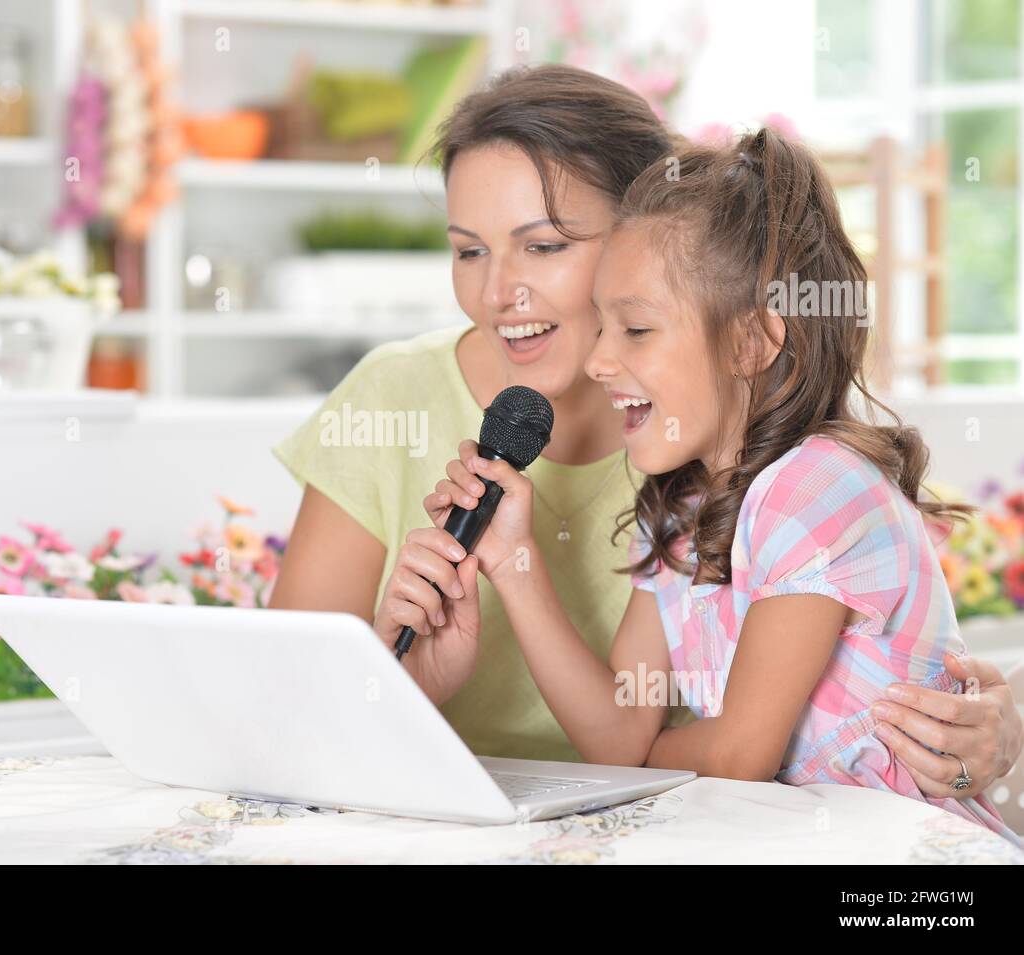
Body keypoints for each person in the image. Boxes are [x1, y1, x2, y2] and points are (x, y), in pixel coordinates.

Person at [269, 65, 1023, 800]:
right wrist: (415, 656)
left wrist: (995, 736)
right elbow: (286, 719)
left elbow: (736, 750)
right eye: (469, 249)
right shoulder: (676, 499)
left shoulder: (769, 470)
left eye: (544, 244)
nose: (499, 292)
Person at [426, 126, 1018, 841]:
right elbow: (616, 735)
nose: (599, 361)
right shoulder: (682, 512)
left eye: (635, 330)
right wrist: (512, 560)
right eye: (603, 328)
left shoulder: (816, 485)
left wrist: (652, 758)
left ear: (750, 342)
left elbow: (739, 752)